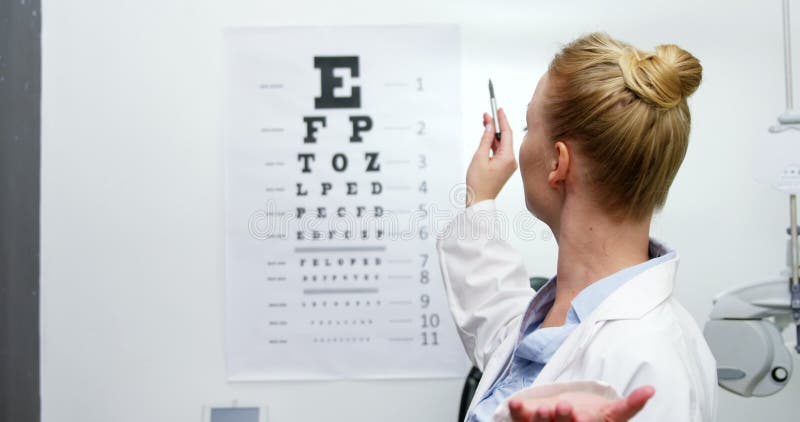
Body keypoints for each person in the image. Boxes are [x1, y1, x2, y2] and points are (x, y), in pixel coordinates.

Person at [436, 32, 717, 422]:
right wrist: (479, 196)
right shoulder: (564, 312)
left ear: (558, 163)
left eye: (529, 127)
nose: (522, 141)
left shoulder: (650, 360)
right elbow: (499, 323)